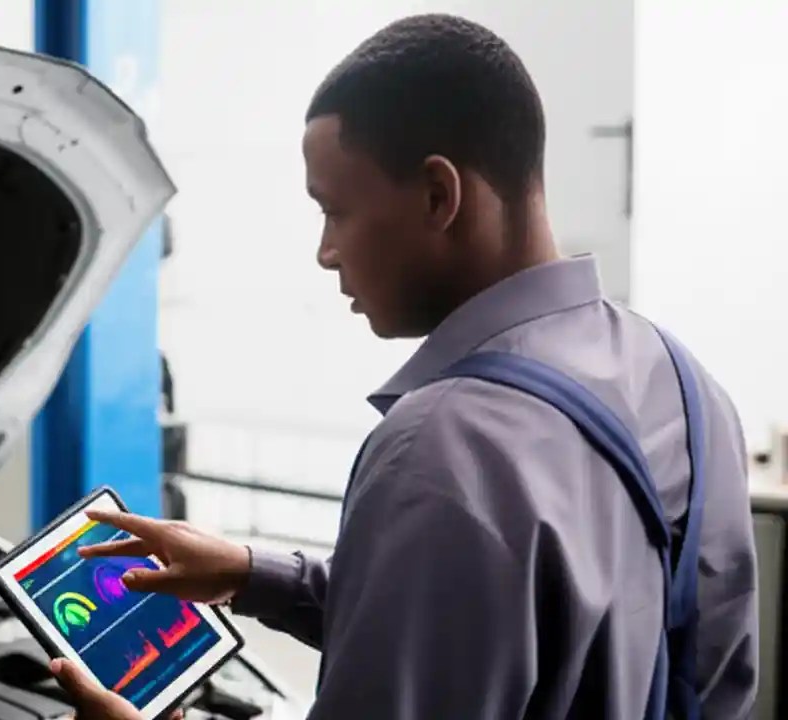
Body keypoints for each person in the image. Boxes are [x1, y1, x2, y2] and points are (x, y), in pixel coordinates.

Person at [50, 13, 759, 719]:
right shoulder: (686, 386)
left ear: (438, 196)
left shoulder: (444, 446)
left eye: (334, 210)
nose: (325, 252)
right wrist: (248, 574)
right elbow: (510, 627)